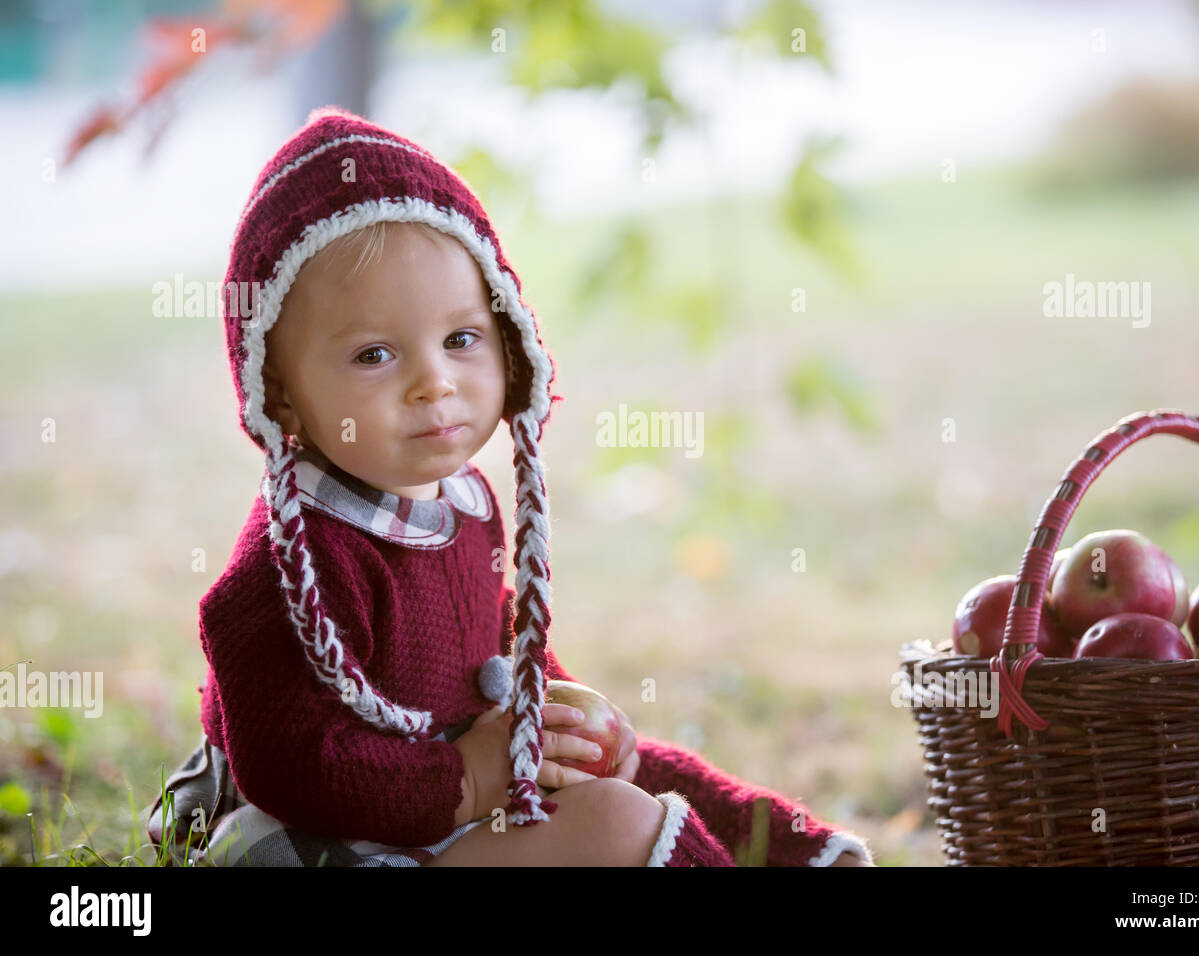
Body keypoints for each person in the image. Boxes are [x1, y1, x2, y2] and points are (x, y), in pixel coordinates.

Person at [146, 108, 873, 867]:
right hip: (336, 842)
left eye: (461, 340)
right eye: (374, 355)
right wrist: (468, 778)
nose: (435, 384)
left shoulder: (464, 508)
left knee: (624, 779)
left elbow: (503, 663)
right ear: (282, 395)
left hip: (447, 817)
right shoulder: (292, 565)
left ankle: (795, 851)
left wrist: (577, 728)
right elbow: (293, 759)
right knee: (616, 825)